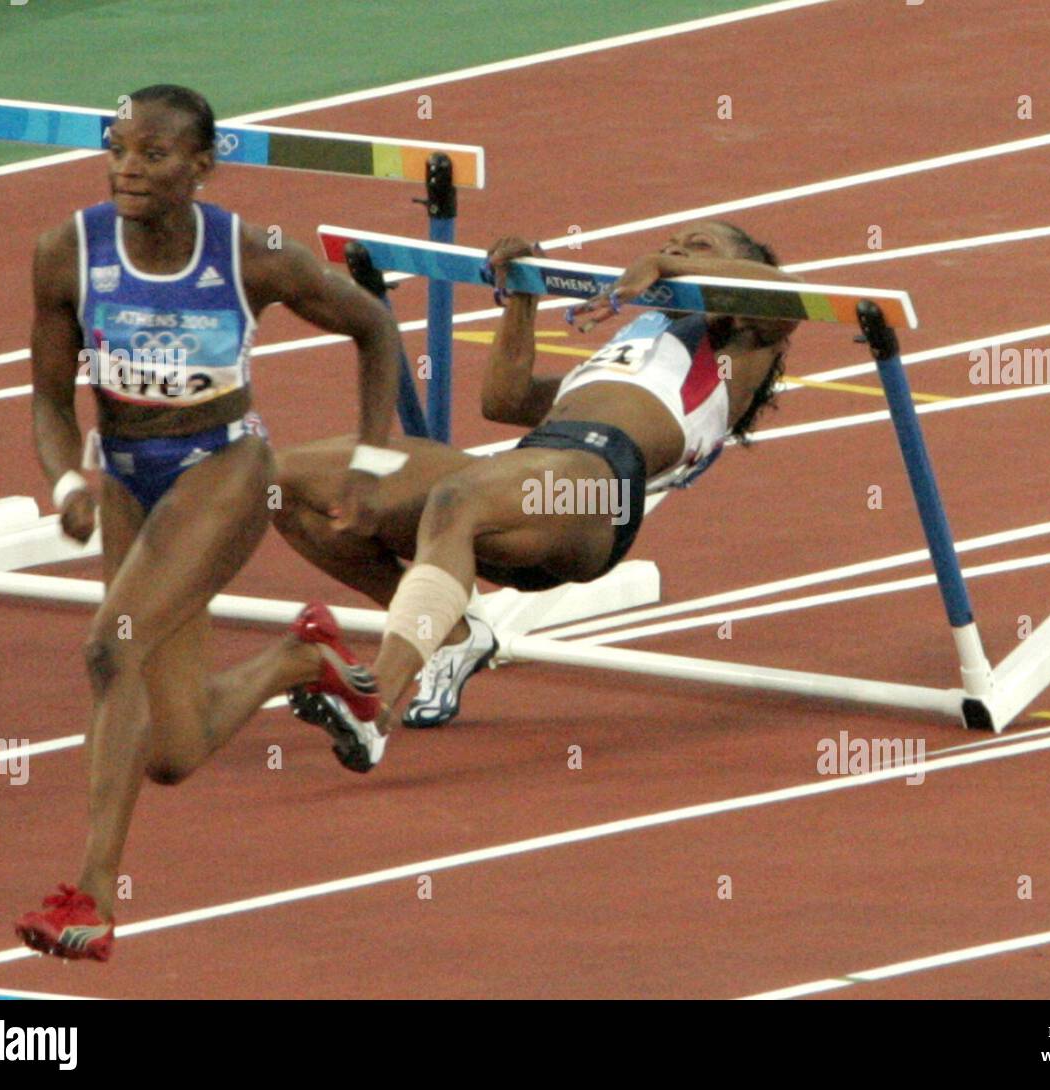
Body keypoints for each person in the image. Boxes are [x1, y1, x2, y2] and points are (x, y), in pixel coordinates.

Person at [14, 84, 403, 961]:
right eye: (117, 149)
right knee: (174, 749)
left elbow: (373, 327)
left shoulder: (253, 254)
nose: (128, 168)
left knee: (111, 645)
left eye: (152, 154)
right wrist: (65, 480)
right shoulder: (66, 251)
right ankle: (304, 660)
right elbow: (45, 398)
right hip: (123, 478)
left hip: (223, 468)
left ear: (201, 166)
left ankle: (92, 896)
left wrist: (373, 466)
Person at [272, 220, 798, 771]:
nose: (675, 249)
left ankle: (374, 700)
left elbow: (779, 292)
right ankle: (452, 634)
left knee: (458, 498)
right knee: (287, 483)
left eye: (700, 247)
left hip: (599, 498)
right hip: (529, 473)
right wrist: (520, 295)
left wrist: (668, 266)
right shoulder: (639, 339)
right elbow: (506, 399)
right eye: (674, 242)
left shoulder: (743, 338)